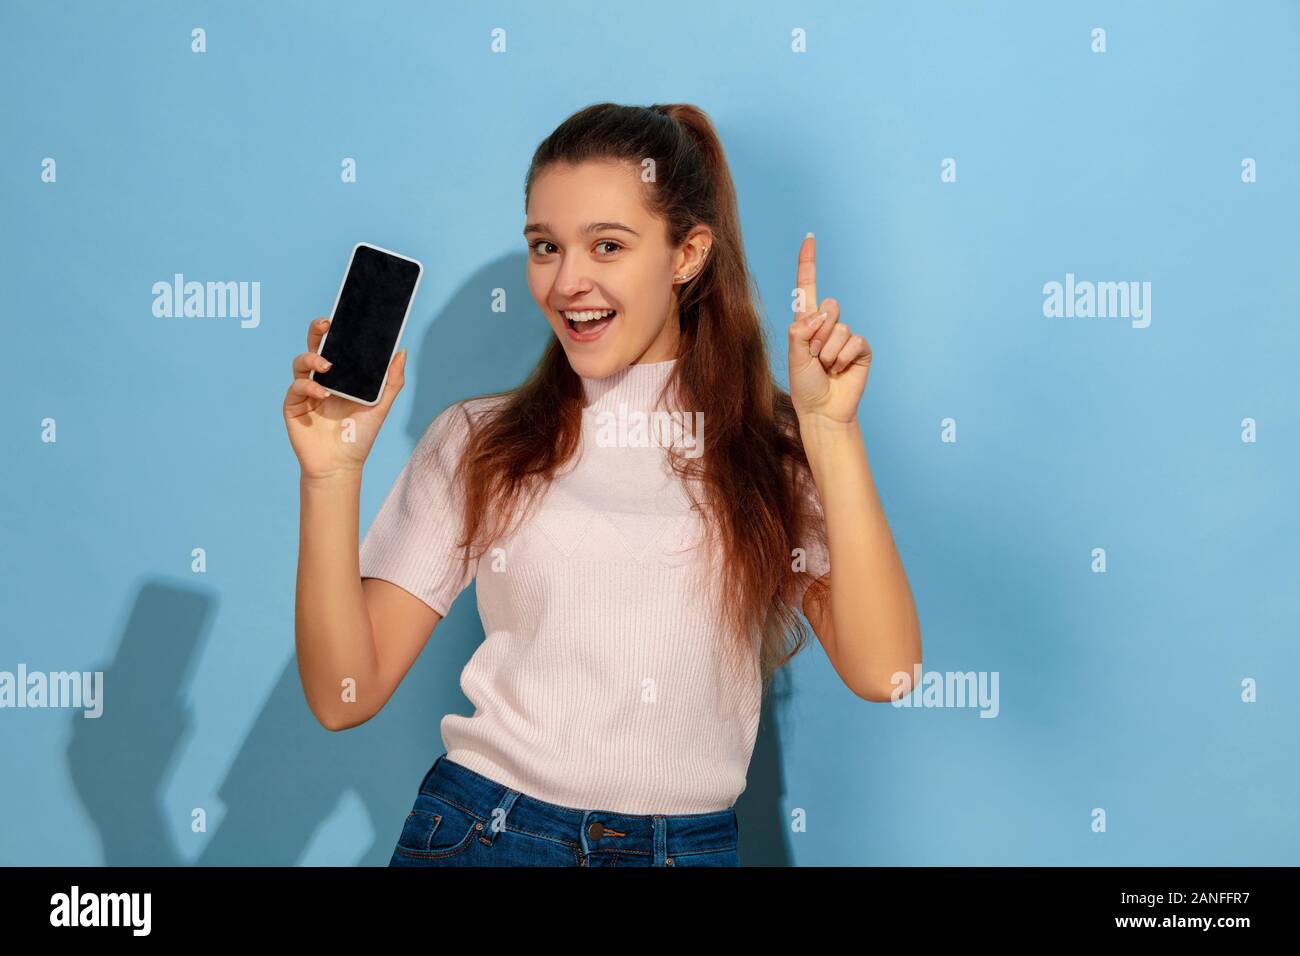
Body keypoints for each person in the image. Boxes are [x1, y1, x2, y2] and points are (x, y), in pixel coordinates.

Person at [282, 103, 922, 867]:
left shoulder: (771, 451)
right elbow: (341, 693)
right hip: (487, 836)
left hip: (686, 849)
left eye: (607, 245)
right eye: (544, 246)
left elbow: (888, 672)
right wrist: (331, 475)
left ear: (687, 254)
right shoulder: (480, 441)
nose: (567, 282)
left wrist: (832, 433)